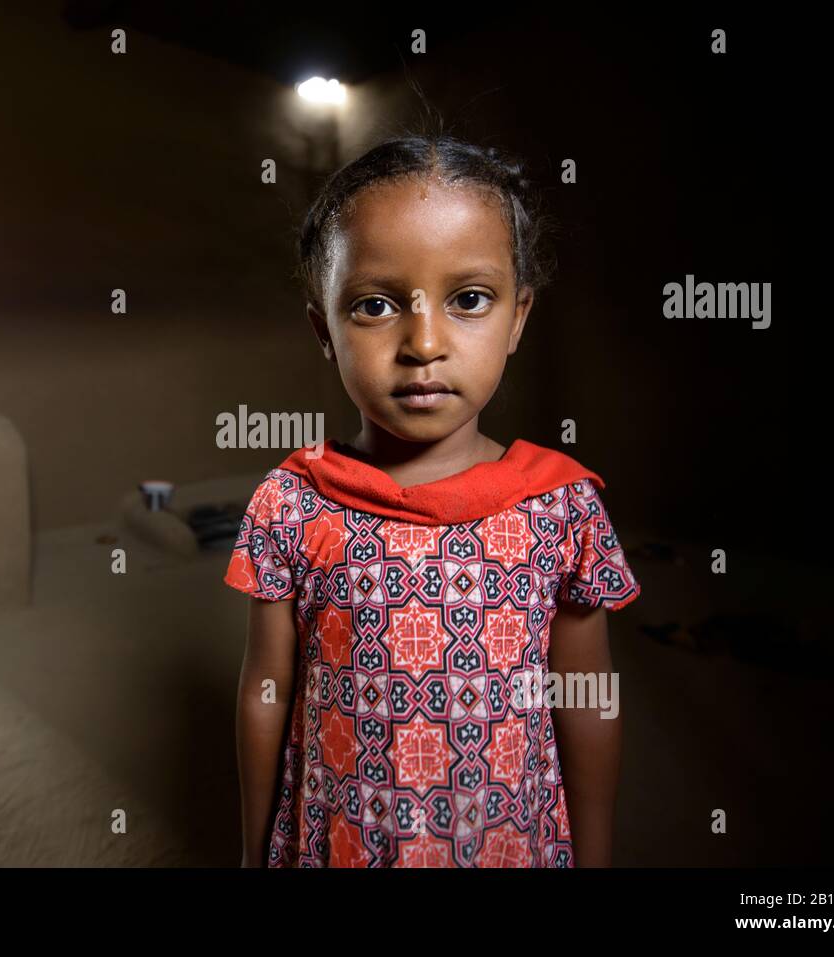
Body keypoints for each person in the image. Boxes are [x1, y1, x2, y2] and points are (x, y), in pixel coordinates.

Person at [226, 134, 641, 868]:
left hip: (508, 844)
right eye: (376, 304)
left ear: (517, 317)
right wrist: (256, 851)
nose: (424, 341)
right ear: (324, 329)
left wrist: (597, 853)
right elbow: (267, 689)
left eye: (469, 299)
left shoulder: (562, 506)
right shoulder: (292, 502)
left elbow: (585, 695)